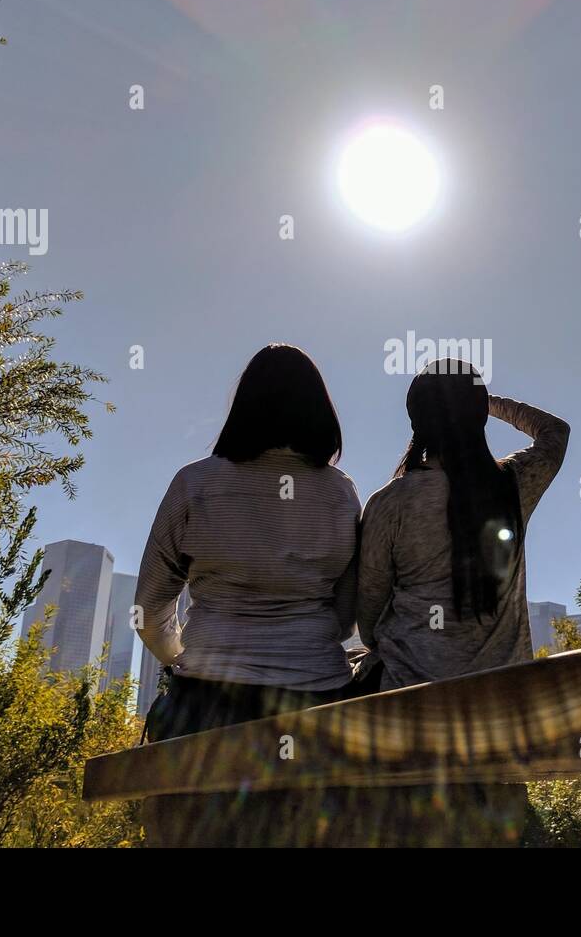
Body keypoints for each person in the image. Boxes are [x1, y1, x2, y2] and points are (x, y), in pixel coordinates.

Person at [135, 343, 360, 846]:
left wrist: (182, 658)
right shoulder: (340, 493)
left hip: (208, 706)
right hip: (316, 705)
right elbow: (346, 617)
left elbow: (148, 609)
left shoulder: (195, 485)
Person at [354, 358, 569, 845]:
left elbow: (367, 618)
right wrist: (487, 404)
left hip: (411, 727)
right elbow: (555, 433)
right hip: (500, 727)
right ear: (479, 415)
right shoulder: (511, 485)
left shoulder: (390, 504)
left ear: (416, 421)